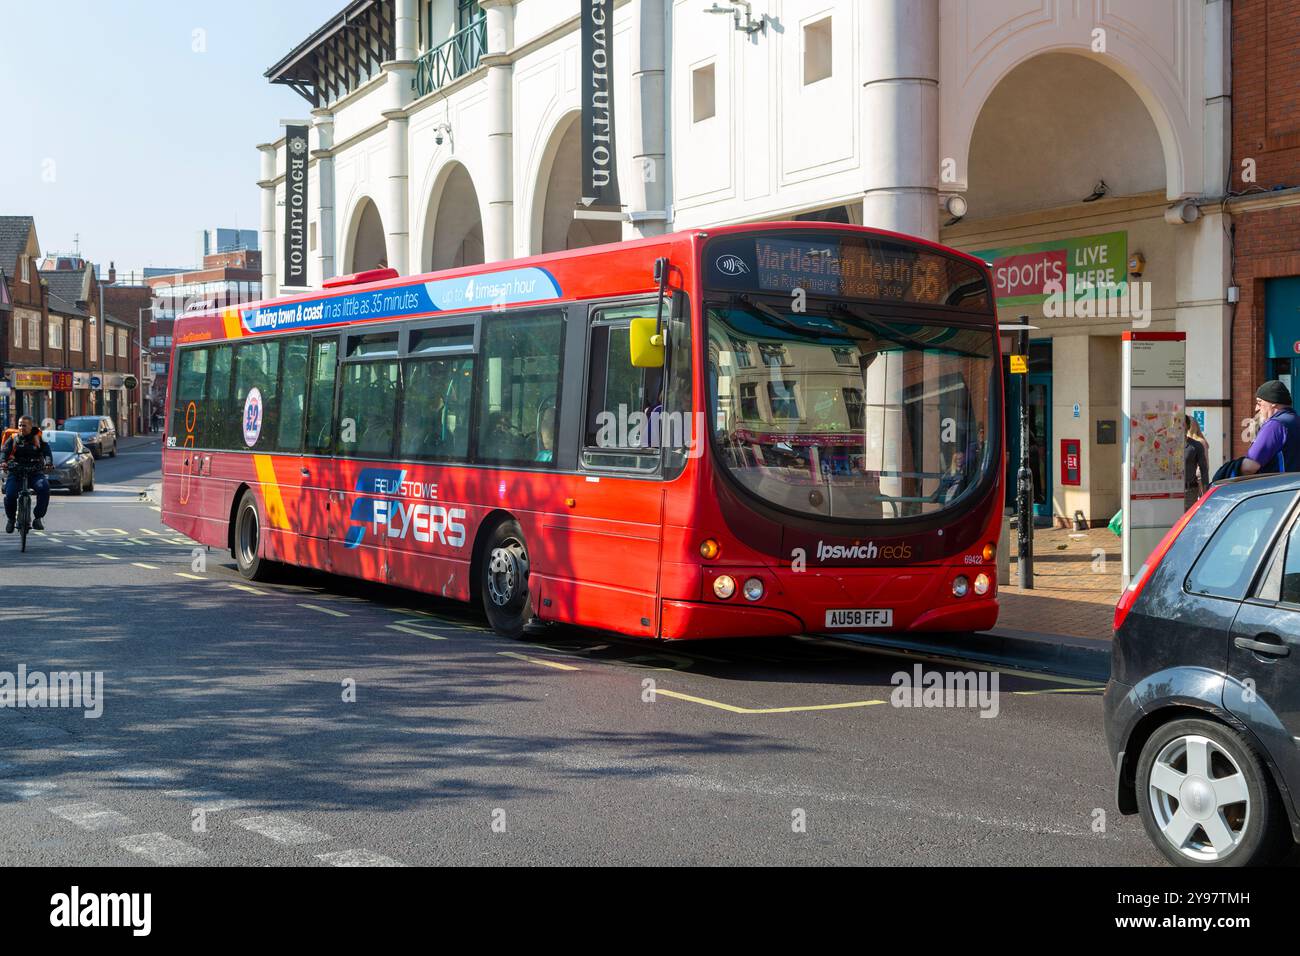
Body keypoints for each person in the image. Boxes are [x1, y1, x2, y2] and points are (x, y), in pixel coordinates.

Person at [3, 416, 54, 533]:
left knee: (44, 488)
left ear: (31, 427)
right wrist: (3, 462)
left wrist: (49, 463)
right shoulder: (13, 438)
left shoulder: (38, 439)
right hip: (16, 473)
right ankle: (11, 519)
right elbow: (4, 452)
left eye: (24, 425)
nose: (21, 427)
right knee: (10, 495)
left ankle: (38, 518)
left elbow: (47, 452)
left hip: (34, 472)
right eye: (20, 425)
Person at [1241, 380, 1300, 475]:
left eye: (1259, 402)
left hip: (1279, 487)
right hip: (1294, 487)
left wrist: (1231, 468)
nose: (1257, 408)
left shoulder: (1275, 425)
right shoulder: (1296, 421)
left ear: (1273, 402)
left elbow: (1249, 467)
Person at [1184, 415, 1210, 509]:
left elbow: (1204, 470)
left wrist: (1205, 492)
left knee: (1187, 521)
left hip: (1190, 492)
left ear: (1187, 426)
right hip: (1172, 492)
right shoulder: (1169, 446)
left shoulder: (1196, 445)